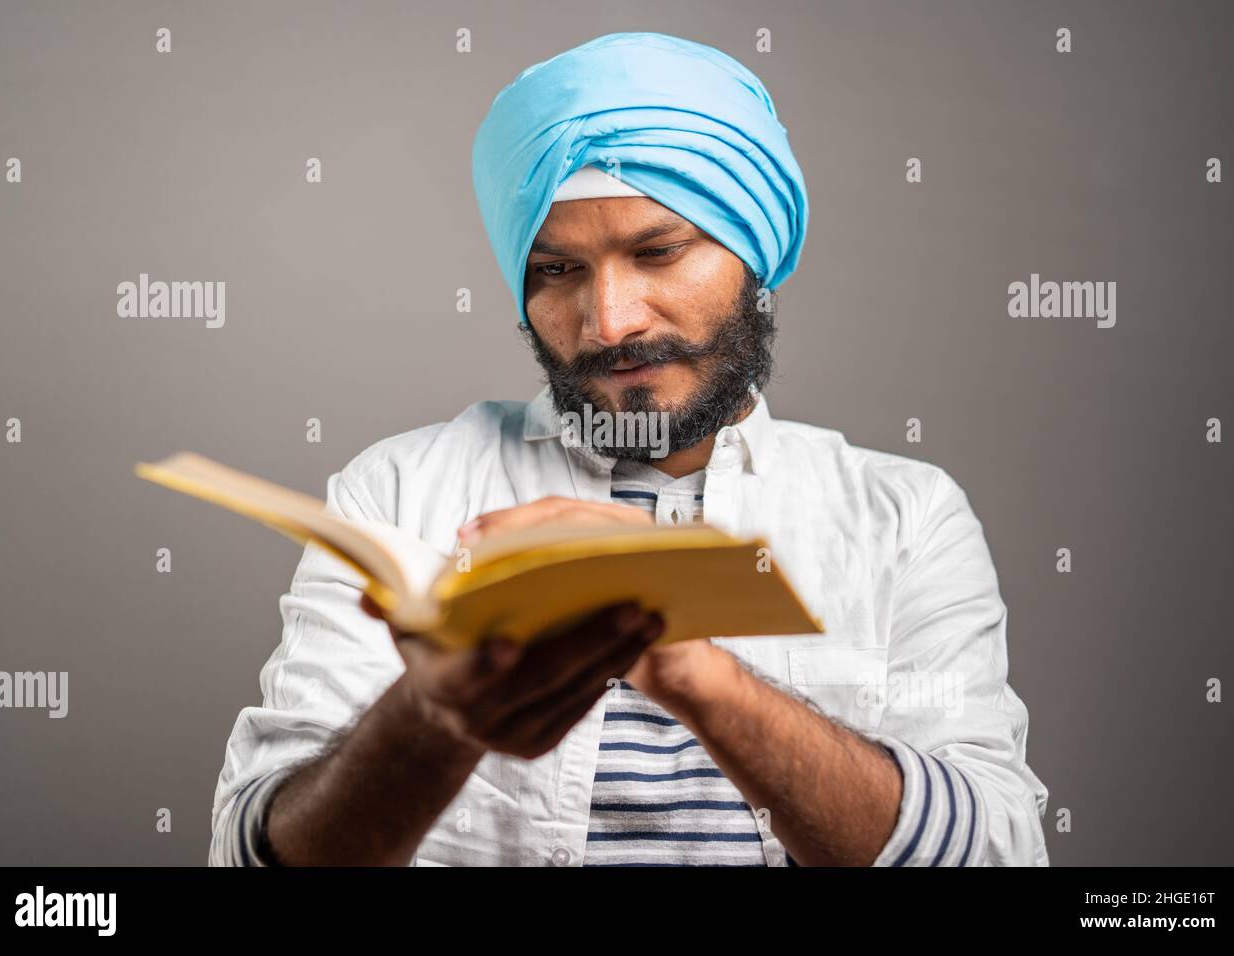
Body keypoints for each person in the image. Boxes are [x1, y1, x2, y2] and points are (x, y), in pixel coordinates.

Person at [209, 31, 1049, 867]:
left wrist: (696, 675)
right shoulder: (397, 493)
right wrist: (430, 719)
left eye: (658, 252)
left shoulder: (903, 518)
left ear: (754, 253)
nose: (611, 322)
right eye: (557, 270)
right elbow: (251, 856)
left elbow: (995, 855)